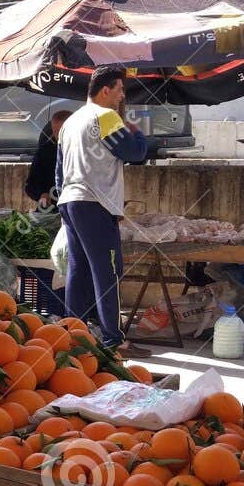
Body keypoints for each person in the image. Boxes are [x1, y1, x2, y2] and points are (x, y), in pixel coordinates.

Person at [57, 65, 148, 347]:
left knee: (78, 269)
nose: (123, 96)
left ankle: (73, 333)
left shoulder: (70, 122)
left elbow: (59, 170)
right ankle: (113, 338)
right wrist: (137, 133)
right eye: (120, 89)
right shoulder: (106, 117)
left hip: (70, 200)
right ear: (105, 90)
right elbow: (135, 153)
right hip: (95, 203)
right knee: (107, 270)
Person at [23, 102, 78, 208]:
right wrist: (41, 194)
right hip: (51, 209)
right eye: (56, 132)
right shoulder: (45, 152)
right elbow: (31, 185)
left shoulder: (87, 151)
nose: (59, 136)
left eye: (63, 132)